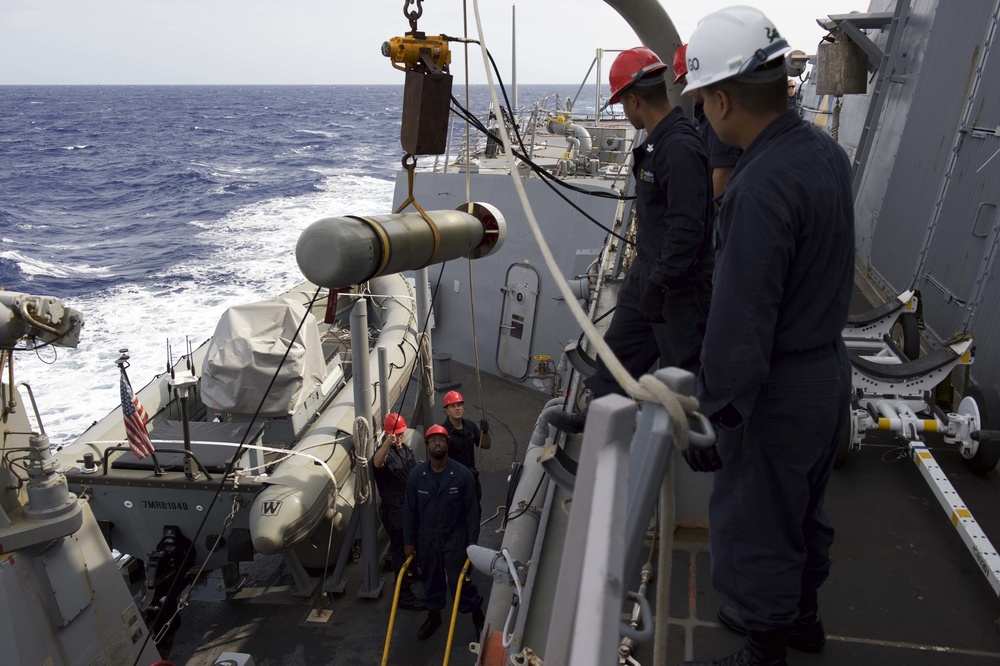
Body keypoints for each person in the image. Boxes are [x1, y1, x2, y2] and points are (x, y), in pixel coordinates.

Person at [679, 7, 854, 666]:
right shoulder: (825, 153)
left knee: (757, 522)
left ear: (723, 101)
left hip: (778, 390)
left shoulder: (759, 187)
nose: (702, 112)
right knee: (803, 510)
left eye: (702, 100)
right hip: (827, 371)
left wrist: (717, 413)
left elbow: (740, 320)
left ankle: (765, 645)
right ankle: (802, 619)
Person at [551, 46, 714, 433]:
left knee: (685, 370)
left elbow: (687, 227)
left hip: (679, 285)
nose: (624, 111)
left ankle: (701, 443)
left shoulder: (679, 147)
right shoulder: (660, 143)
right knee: (619, 351)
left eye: (622, 103)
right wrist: (649, 279)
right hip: (649, 272)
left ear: (634, 100)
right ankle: (597, 416)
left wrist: (662, 282)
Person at [403, 424, 485, 641]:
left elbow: (472, 512)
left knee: (460, 580)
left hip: (455, 537)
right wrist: (408, 542)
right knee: (431, 579)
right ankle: (434, 615)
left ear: (447, 444)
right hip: (427, 538)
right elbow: (410, 511)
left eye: (441, 440)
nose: (437, 443)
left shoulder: (462, 474)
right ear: (427, 445)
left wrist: (473, 543)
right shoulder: (416, 476)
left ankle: (477, 614)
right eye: (433, 440)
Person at [673, 43, 742, 201]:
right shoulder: (713, 117)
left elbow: (722, 175)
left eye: (686, 83)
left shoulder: (718, 120)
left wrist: (708, 213)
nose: (687, 91)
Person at [371, 412, 424, 611]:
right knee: (401, 551)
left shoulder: (406, 450)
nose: (400, 437)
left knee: (415, 544)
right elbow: (377, 463)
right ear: (388, 434)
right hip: (395, 511)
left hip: (410, 506)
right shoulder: (386, 453)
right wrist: (387, 443)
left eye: (402, 433)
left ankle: (413, 573)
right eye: (396, 434)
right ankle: (404, 596)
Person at [440, 390, 490, 509]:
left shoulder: (470, 426)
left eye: (459, 405)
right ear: (447, 410)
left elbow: (485, 445)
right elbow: (440, 463)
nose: (457, 408)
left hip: (472, 479)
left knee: (475, 509)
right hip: (453, 483)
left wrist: (485, 432)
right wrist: (464, 473)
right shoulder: (443, 432)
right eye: (452, 406)